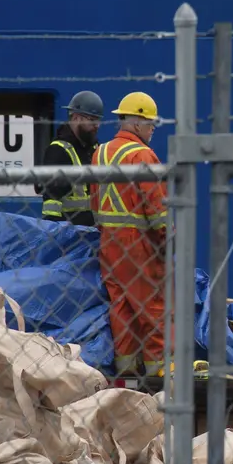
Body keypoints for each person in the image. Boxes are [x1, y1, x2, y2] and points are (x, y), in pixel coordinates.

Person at [90, 92, 167, 377]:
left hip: (110, 243)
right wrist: (167, 243)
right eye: (150, 124)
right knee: (152, 305)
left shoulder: (100, 152)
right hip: (140, 244)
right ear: (136, 123)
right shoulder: (142, 155)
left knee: (121, 307)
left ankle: (126, 371)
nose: (152, 129)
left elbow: (95, 201)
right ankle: (156, 373)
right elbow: (157, 209)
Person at [39, 91, 103, 226]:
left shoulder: (95, 148)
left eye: (98, 120)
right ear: (75, 118)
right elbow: (51, 204)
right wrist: (57, 235)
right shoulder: (58, 151)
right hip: (71, 236)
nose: (97, 125)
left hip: (95, 234)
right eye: (92, 120)